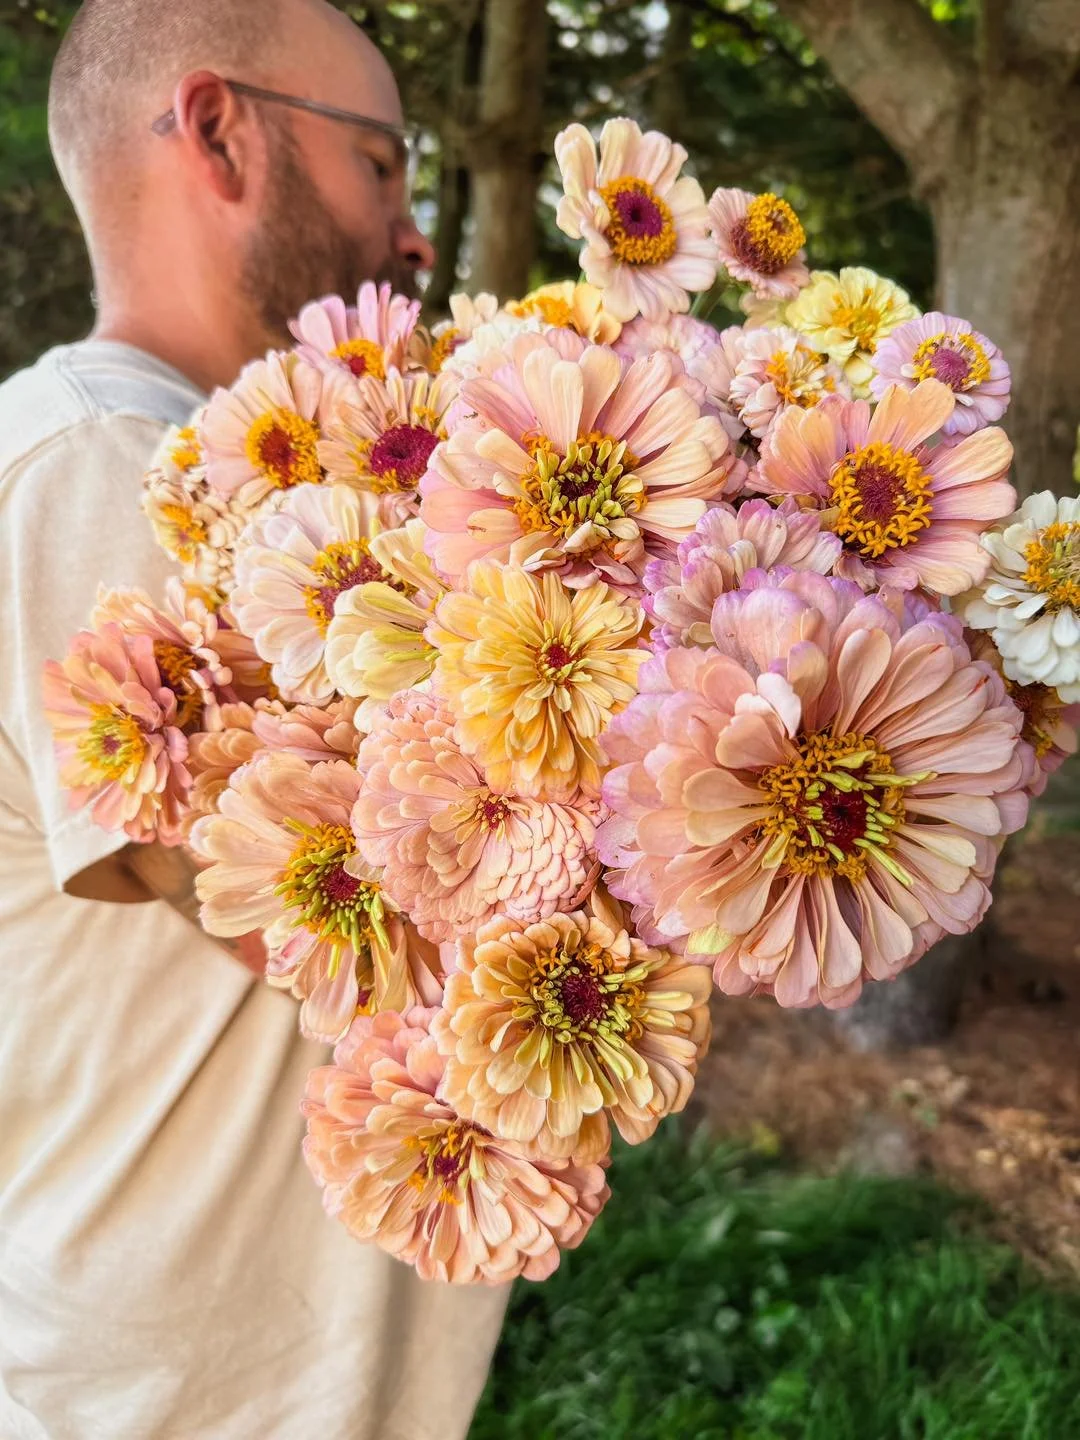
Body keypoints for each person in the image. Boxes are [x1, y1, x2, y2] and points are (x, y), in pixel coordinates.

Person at [0, 2, 509, 1437]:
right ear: (220, 132)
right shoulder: (111, 468)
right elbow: (359, 921)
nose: (414, 234)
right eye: (381, 165)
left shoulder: (243, 500)